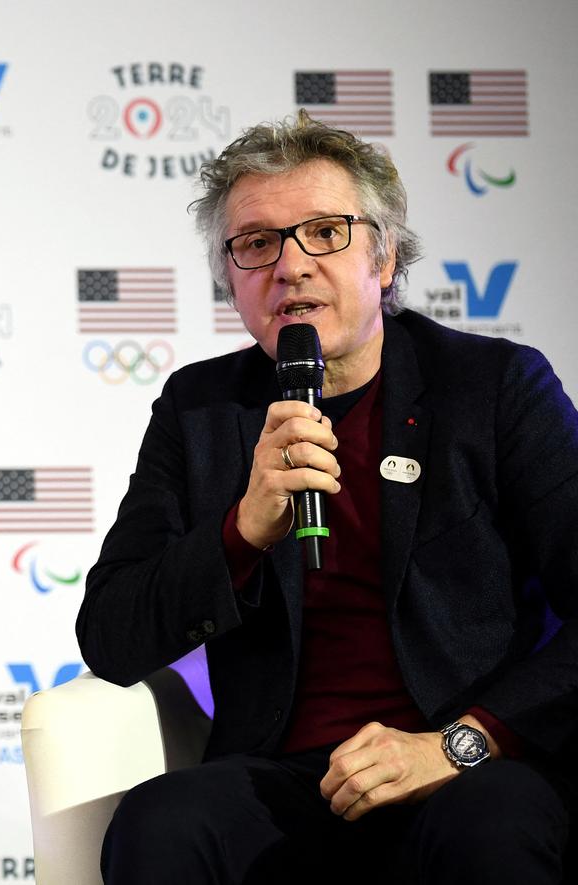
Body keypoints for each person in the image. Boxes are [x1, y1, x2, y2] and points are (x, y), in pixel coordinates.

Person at [77, 111, 578, 884]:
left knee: (493, 824)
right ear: (232, 278)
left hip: (467, 766)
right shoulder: (201, 409)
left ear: (383, 258)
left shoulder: (495, 387)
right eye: (257, 243)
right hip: (284, 778)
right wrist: (240, 532)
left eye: (324, 232)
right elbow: (110, 634)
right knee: (161, 823)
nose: (291, 265)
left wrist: (457, 743)